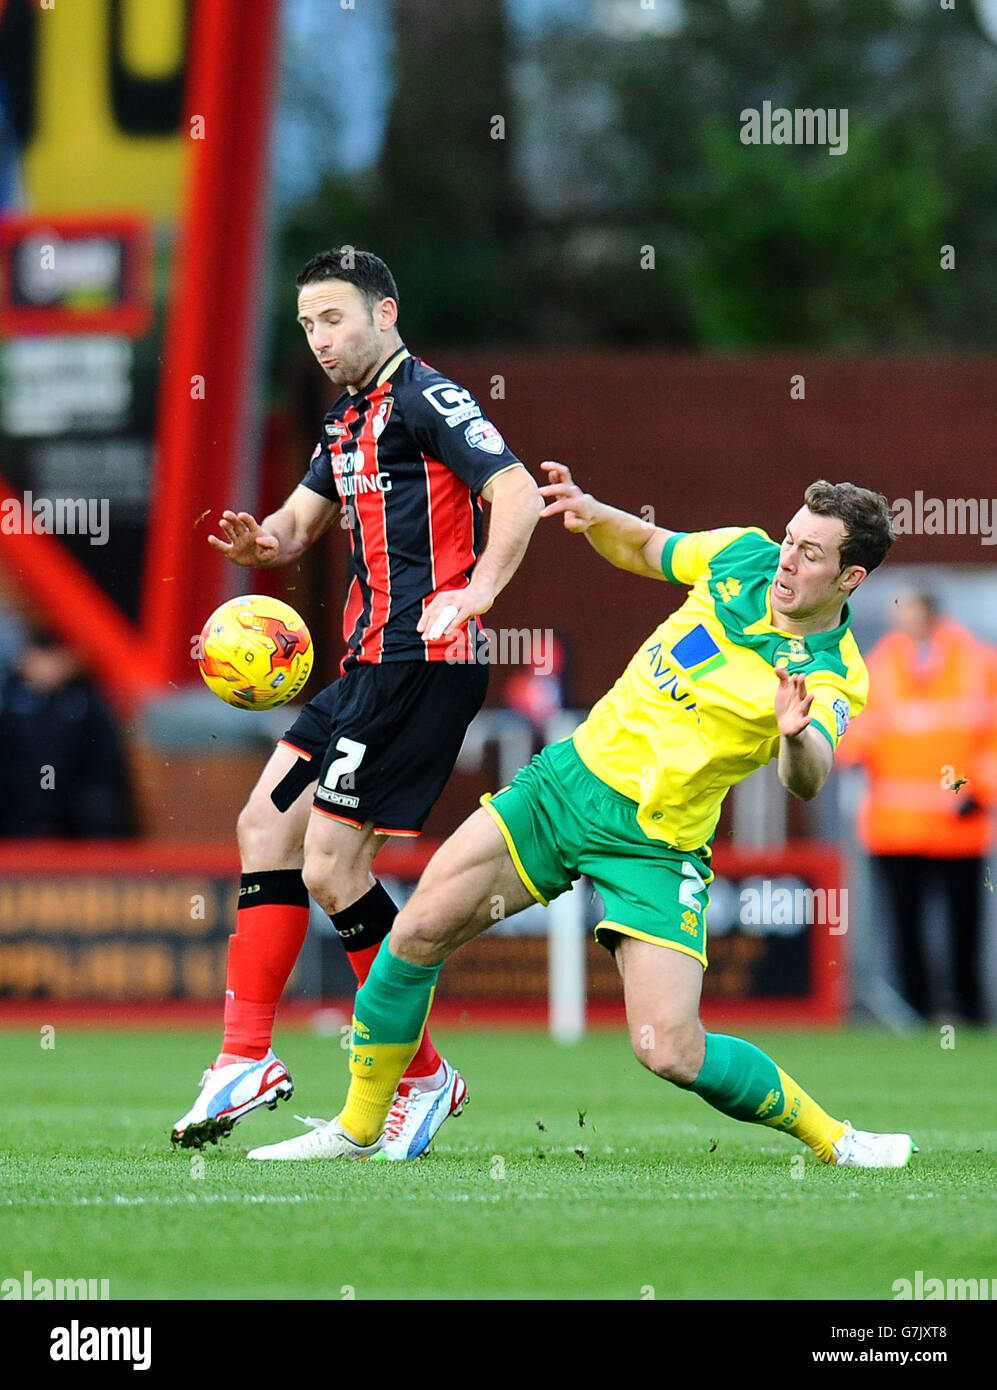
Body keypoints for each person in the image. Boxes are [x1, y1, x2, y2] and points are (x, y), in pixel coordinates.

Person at [247, 467, 917, 1169]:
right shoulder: (739, 554)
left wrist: (790, 733)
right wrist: (596, 512)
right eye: (790, 539)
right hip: (564, 787)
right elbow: (647, 546)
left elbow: (806, 778)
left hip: (656, 844)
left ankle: (836, 1141)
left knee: (669, 1049)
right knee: (414, 932)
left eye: (811, 553)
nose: (786, 557)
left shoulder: (834, 670)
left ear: (851, 578)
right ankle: (358, 1128)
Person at [171, 249, 541, 1155]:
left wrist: (481, 589)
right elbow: (298, 526)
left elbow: (516, 493)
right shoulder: (344, 419)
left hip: (423, 659)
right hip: (363, 667)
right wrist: (261, 543)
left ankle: (416, 1078)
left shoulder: (428, 399)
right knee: (264, 827)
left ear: (385, 311)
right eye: (306, 325)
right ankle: (244, 1056)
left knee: (334, 869)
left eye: (333, 319)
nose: (320, 339)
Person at [838, 590, 997, 1023]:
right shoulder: (878, 667)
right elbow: (855, 734)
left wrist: (980, 790)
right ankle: (917, 1011)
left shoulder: (977, 664)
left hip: (958, 823)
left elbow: (990, 737)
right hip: (896, 824)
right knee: (906, 926)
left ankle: (970, 1010)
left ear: (930, 614)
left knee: (964, 924)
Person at [0, 627, 137, 839]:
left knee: (98, 803)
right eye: (41, 659)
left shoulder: (86, 703)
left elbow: (104, 758)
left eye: (55, 659)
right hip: (20, 802)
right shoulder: (11, 704)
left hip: (72, 803)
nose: (47, 668)